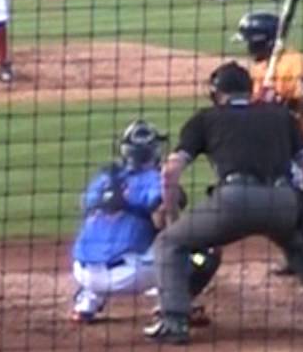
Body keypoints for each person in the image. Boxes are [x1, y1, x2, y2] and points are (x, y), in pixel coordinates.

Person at [145, 62, 303, 345]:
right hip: (282, 201)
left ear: (217, 93)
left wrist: (171, 212)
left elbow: (170, 171)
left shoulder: (205, 119)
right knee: (301, 245)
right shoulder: (282, 117)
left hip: (233, 203)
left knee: (170, 243)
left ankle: (174, 320)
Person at [69, 120, 220, 325]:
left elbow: (86, 209)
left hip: (81, 269)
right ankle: (175, 304)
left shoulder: (104, 177)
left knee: (104, 236)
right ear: (154, 151)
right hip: (128, 276)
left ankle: (86, 303)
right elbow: (161, 220)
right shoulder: (153, 179)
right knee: (202, 250)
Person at [235, 10, 303, 273]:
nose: (247, 48)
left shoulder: (297, 64)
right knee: (273, 200)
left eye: (249, 41)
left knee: (279, 199)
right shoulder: (260, 69)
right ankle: (301, 250)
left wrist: (287, 101)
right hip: (293, 150)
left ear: (261, 40)